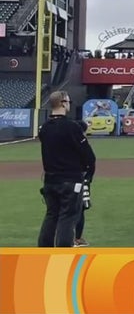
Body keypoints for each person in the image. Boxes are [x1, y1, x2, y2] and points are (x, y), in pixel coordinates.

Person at [37, 91, 96, 248]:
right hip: (70, 179)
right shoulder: (72, 127)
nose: (69, 104)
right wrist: (89, 173)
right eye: (68, 102)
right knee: (68, 217)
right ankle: (63, 252)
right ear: (63, 103)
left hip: (50, 179)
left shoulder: (44, 128)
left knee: (51, 215)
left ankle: (43, 251)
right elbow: (88, 155)